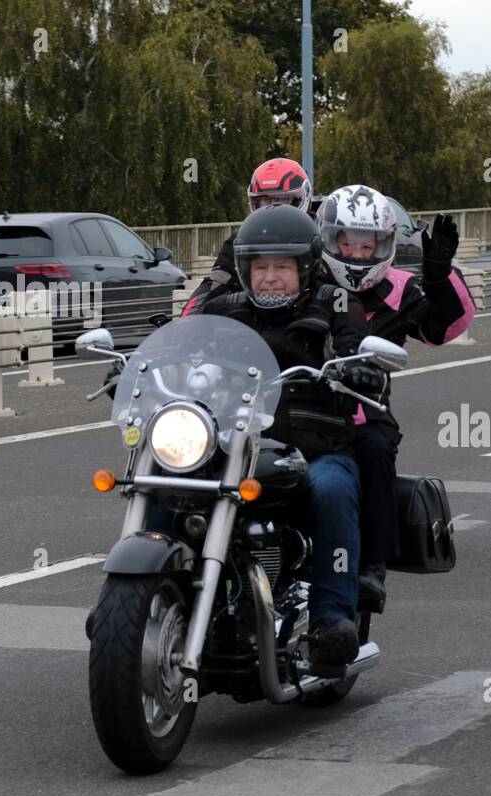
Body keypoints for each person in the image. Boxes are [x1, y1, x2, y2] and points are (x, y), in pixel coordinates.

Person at [203, 204, 382, 668]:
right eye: (260, 267)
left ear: (303, 267)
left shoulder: (337, 302)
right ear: (244, 268)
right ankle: (145, 596)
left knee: (334, 486)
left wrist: (362, 368)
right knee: (170, 480)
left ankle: (331, 618)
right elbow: (185, 346)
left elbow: (354, 347)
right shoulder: (222, 308)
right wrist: (137, 368)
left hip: (313, 446)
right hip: (233, 446)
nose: (269, 277)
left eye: (280, 267)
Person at [314, 184, 475, 609]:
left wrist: (440, 275)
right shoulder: (305, 279)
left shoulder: (401, 288)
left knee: (375, 452)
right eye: (346, 242)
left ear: (384, 244)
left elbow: (446, 329)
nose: (357, 252)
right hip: (297, 406)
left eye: (368, 244)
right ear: (328, 238)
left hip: (365, 412)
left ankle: (371, 566)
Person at [181, 158, 313, 316]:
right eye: (265, 200)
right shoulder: (242, 239)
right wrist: (187, 323)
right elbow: (216, 283)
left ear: (302, 198)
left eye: (281, 199)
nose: (273, 207)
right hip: (257, 326)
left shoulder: (320, 233)